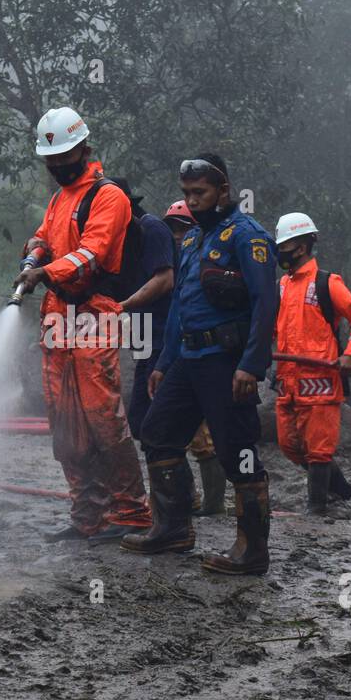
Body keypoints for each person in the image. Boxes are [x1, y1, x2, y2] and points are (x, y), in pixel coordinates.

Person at [122, 154, 278, 575]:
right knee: (157, 432)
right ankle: (172, 528)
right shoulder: (191, 241)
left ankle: (252, 551)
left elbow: (267, 303)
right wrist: (162, 364)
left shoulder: (248, 237)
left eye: (200, 193)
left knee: (237, 452)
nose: (191, 201)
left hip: (226, 362)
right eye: (186, 193)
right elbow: (178, 308)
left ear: (224, 190)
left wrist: (252, 365)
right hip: (186, 361)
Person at [13, 106, 152, 543]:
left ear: (85, 149)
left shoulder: (108, 196)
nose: (56, 166)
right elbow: (44, 237)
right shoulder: (59, 199)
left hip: (93, 314)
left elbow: (92, 252)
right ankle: (87, 516)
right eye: (50, 161)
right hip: (58, 316)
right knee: (65, 422)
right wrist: (34, 253)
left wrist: (45, 273)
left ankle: (130, 513)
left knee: (102, 418)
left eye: (63, 157)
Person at [273, 212, 351, 514]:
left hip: (321, 383)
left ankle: (317, 508)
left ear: (300, 246)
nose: (280, 252)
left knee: (318, 450)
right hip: (287, 383)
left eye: (284, 245)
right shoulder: (282, 286)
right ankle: (341, 490)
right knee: (290, 445)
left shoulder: (327, 283)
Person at [150, 199, 227, 516]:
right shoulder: (178, 268)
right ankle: (186, 503)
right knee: (176, 434)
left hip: (209, 357)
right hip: (181, 357)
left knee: (206, 437)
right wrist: (163, 365)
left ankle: (213, 506)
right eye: (174, 230)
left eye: (184, 228)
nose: (179, 236)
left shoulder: (214, 262)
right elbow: (173, 321)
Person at [108, 178, 173, 442]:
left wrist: (119, 306)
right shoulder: (126, 240)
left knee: (154, 423)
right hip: (145, 341)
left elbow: (164, 280)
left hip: (163, 340)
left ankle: (171, 479)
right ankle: (162, 478)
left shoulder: (152, 230)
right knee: (140, 421)